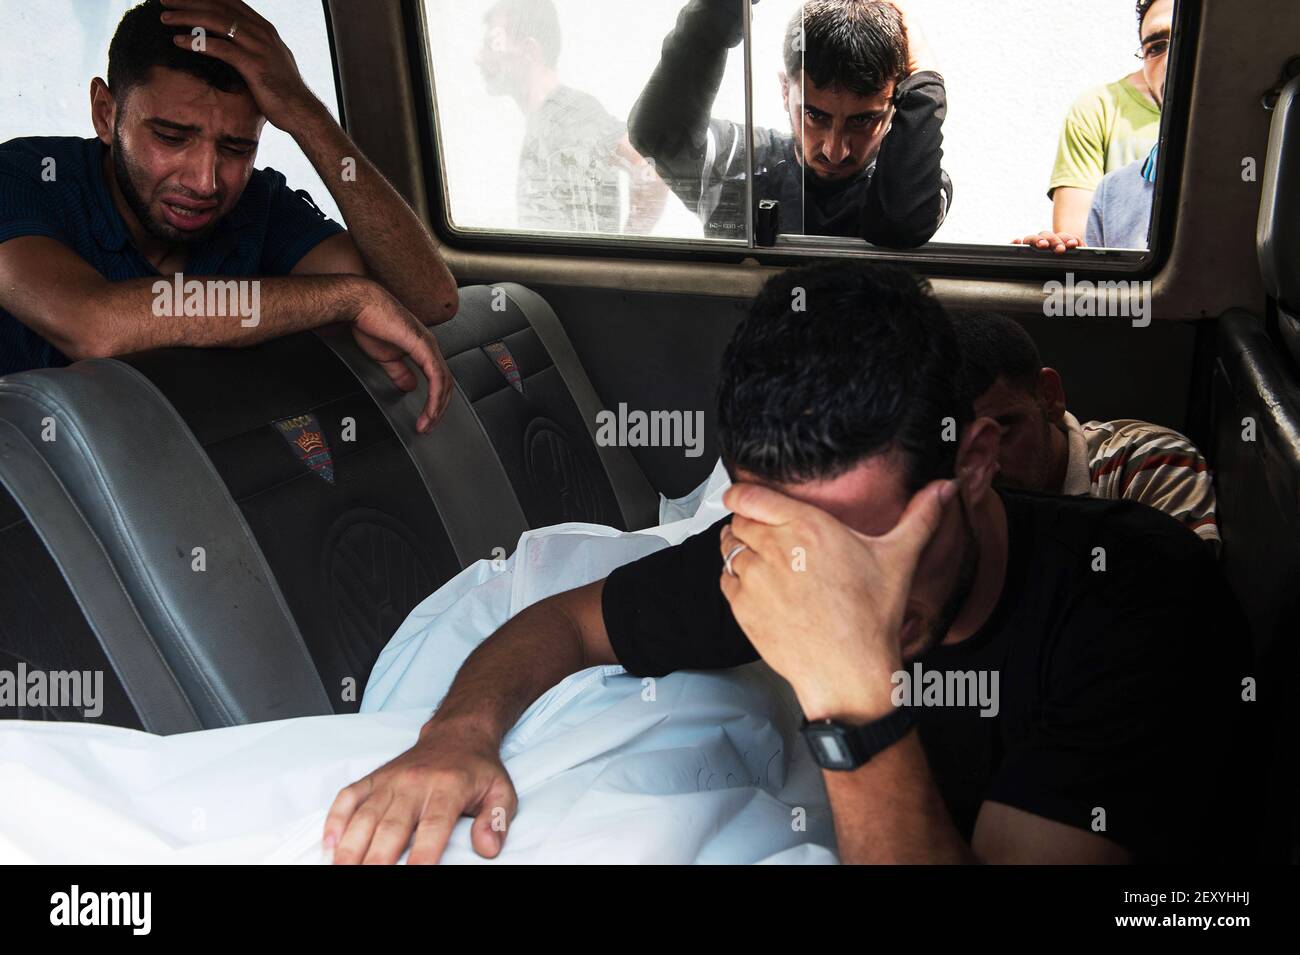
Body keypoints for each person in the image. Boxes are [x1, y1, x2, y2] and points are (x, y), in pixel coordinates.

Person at [324, 261, 1248, 865]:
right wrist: (457, 735)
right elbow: (564, 622)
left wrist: (852, 694)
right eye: (794, 540)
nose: (826, 580)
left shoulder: (1139, 607)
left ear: (972, 466)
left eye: (867, 543)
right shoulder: (784, 550)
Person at [0, 0, 456, 432]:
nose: (205, 183)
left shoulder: (260, 203)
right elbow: (94, 326)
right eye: (172, 137)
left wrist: (302, 111)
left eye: (237, 148)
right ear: (106, 113)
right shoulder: (25, 179)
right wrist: (349, 299)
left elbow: (427, 300)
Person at [626, 0, 952, 246]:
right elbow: (658, 135)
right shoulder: (742, 163)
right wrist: (722, 8)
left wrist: (925, 85)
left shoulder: (912, 182)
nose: (835, 150)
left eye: (864, 120)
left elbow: (900, 223)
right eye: (815, 115)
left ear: (896, 106)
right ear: (785, 91)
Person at [953, 310, 1217, 548]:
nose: (990, 466)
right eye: (967, 446)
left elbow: (1189, 596)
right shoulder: (946, 487)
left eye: (1003, 432)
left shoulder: (1151, 464)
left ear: (1049, 396)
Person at [476, 0, 668, 235]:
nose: (478, 58)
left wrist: (625, 248)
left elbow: (648, 172)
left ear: (529, 51)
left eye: (491, 45)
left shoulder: (571, 114)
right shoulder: (547, 120)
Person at [1016, 0, 1171, 253]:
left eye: (1185, 39)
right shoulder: (1112, 190)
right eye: (1156, 47)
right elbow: (1085, 257)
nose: (1171, 60)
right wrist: (1057, 259)